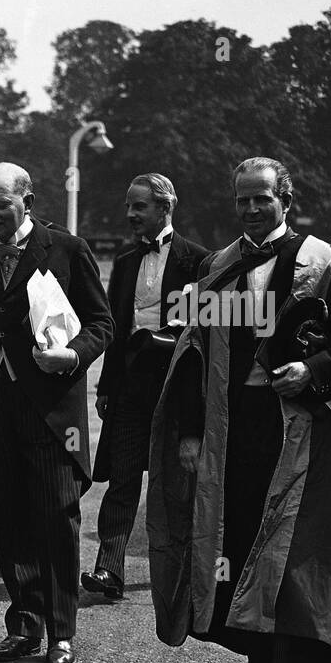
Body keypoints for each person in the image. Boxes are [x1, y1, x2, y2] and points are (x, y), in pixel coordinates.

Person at [147, 157, 331, 663]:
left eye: (263, 198)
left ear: (286, 198)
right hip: (233, 431)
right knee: (238, 540)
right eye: (243, 200)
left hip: (303, 432)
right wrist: (188, 432)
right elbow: (189, 354)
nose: (253, 209)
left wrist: (313, 372)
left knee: (295, 555)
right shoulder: (217, 267)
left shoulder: (326, 262)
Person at [0, 162, 113, 663]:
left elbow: (102, 323)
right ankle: (24, 626)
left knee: (57, 519)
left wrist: (74, 355)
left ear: (27, 201)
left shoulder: (68, 251)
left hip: (52, 413)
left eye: (1, 203)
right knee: (11, 520)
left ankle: (61, 633)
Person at [83, 174, 207, 599]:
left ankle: (182, 570)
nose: (131, 215)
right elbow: (115, 327)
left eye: (140, 207)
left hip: (177, 388)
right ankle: (109, 570)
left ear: (165, 208)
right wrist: (105, 386)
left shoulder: (199, 262)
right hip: (130, 390)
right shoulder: (123, 259)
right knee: (122, 478)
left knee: (178, 483)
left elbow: (200, 340)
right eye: (129, 206)